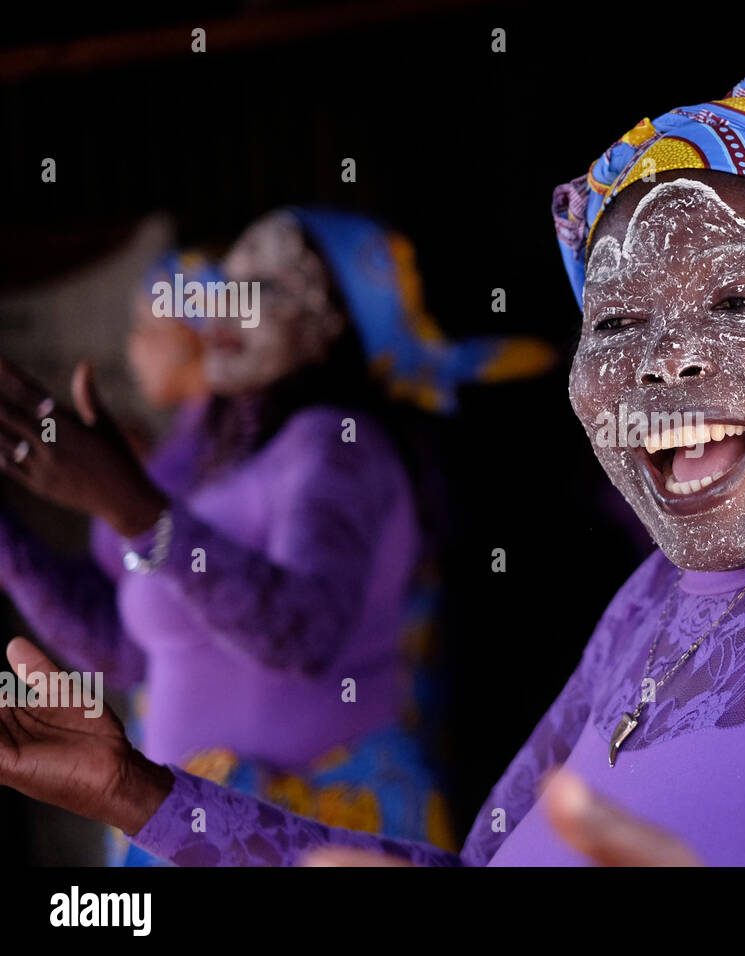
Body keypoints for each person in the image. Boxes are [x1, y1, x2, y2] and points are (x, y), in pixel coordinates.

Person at [0, 27, 745, 866]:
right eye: (620, 318)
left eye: (741, 302)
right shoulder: (646, 610)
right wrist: (134, 793)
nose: (662, 358)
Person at [0, 208, 550, 862]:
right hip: (188, 820)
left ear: (331, 325)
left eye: (262, 286)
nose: (223, 305)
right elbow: (124, 654)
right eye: (224, 282)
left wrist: (133, 507)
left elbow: (303, 632)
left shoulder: (340, 444)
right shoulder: (224, 466)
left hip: (309, 826)